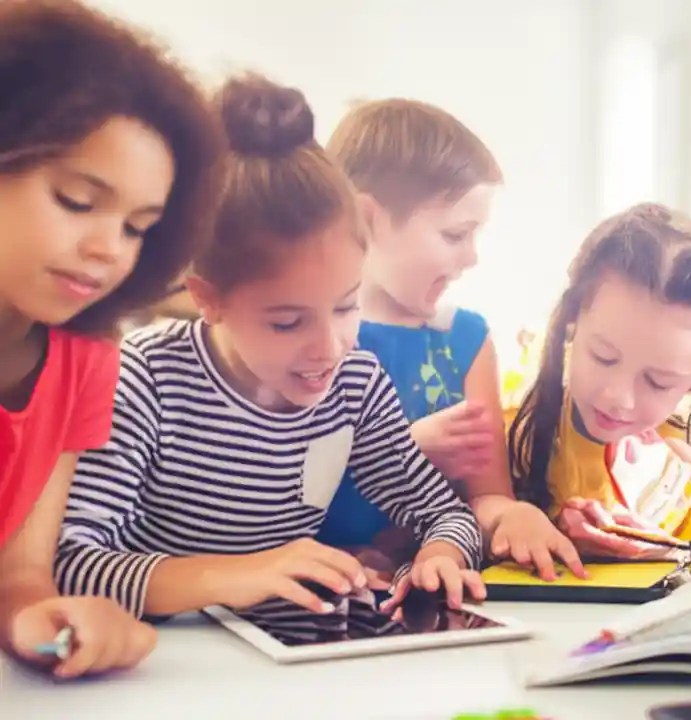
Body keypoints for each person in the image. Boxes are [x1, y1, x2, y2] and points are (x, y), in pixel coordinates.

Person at [54, 76, 484, 646]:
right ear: (207, 298)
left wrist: (440, 556)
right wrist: (238, 573)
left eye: (345, 305)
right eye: (286, 322)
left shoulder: (355, 383)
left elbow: (443, 511)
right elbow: (71, 562)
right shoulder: (144, 379)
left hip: (285, 661)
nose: (328, 347)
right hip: (156, 659)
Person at [0, 0, 224, 678]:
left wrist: (53, 629)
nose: (108, 251)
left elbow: (20, 576)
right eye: (76, 200)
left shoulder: (84, 353)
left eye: (137, 226)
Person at [319, 99, 582, 582]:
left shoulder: (466, 340)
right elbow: (272, 499)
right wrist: (404, 451)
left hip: (431, 588)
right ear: (366, 218)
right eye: (455, 234)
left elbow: (485, 497)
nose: (473, 257)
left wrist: (512, 516)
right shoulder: (315, 339)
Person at [508, 204, 691, 561]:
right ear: (572, 321)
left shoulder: (680, 475)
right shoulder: (508, 429)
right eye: (603, 357)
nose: (618, 398)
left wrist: (665, 554)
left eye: (658, 382)